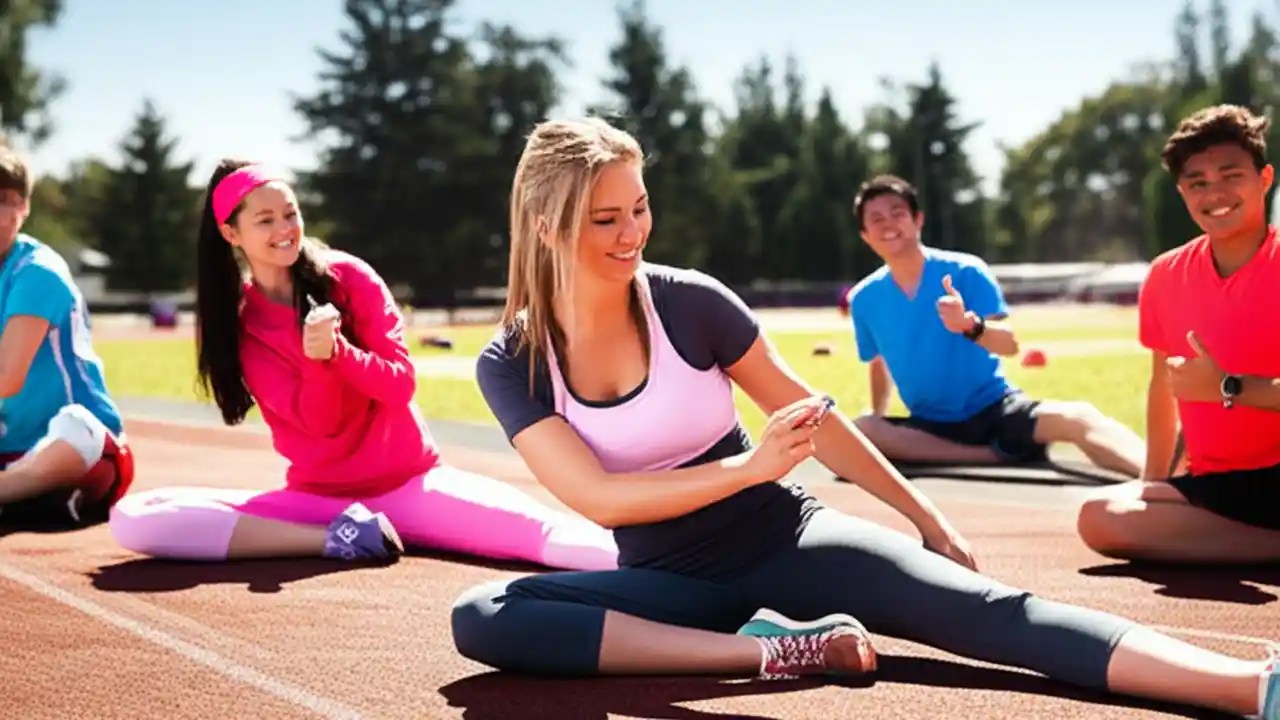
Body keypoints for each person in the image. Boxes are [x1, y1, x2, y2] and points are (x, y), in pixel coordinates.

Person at [449, 117, 1279, 719]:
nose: (632, 232)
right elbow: (598, 499)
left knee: (995, 613)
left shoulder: (691, 303)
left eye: (639, 207)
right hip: (668, 583)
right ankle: (777, 650)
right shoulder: (512, 360)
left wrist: (926, 517)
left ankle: (1249, 686)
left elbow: (822, 419)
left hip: (791, 541)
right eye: (606, 217)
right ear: (546, 222)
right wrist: (748, 465)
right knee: (485, 617)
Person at [108, 159, 617, 571]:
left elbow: (401, 386)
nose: (286, 229)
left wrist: (338, 353)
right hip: (320, 504)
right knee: (135, 518)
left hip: (414, 486)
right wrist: (316, 359)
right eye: (265, 221)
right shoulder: (241, 327)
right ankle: (335, 541)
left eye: (290, 213)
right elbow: (322, 425)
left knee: (548, 535)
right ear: (231, 233)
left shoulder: (349, 278)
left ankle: (680, 584)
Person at [1077, 104, 1280, 564]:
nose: (1216, 193)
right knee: (1099, 515)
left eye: (1232, 175)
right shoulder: (1166, 273)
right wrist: (1152, 480)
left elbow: (1216, 387)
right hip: (1216, 483)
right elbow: (1161, 388)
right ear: (1182, 193)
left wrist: (1229, 387)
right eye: (1198, 183)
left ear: (1264, 179)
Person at [845, 174, 1145, 478]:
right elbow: (878, 364)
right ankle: (992, 455)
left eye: (897, 213)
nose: (888, 225)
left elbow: (1009, 345)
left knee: (1078, 416)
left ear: (918, 219)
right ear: (865, 234)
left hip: (995, 410)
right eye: (876, 218)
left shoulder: (967, 271)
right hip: (928, 426)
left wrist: (969, 324)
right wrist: (879, 421)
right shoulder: (864, 299)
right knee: (862, 429)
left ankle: (1162, 476)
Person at [0, 144, 133, 528]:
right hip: (10, 449)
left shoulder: (37, 272)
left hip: (74, 443)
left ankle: (20, 493)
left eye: (6, 200)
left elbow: (8, 377)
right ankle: (29, 499)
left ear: (24, 209)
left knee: (78, 429)